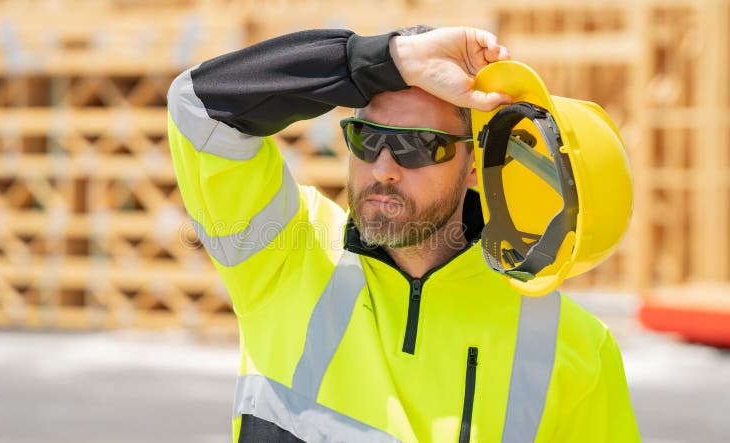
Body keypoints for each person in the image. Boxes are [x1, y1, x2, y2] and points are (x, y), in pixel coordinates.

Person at [167, 25, 640, 443]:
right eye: (366, 138)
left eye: (418, 146)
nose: (384, 168)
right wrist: (388, 61)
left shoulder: (573, 347)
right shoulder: (285, 251)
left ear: (476, 164)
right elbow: (199, 106)